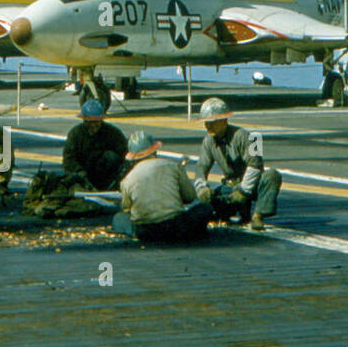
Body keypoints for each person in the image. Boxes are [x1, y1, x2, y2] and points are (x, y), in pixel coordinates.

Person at [193, 97, 281, 231]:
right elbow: (201, 166)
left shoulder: (248, 136)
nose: (208, 126)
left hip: (252, 185)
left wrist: (244, 191)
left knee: (272, 175)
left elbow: (256, 165)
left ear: (224, 120)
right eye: (206, 123)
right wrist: (201, 187)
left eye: (212, 122)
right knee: (212, 200)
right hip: (231, 186)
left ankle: (257, 215)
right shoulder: (208, 141)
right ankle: (229, 212)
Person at [112, 130, 213, 243]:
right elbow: (189, 196)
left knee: (118, 218)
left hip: (145, 231)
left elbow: (126, 208)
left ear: (133, 157)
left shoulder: (127, 180)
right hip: (175, 226)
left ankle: (138, 233)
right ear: (155, 150)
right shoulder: (173, 166)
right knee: (205, 207)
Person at [63, 99, 128, 190]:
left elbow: (125, 155)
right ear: (84, 120)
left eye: (96, 122)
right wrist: (79, 172)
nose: (93, 125)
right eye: (90, 122)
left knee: (110, 156)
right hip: (83, 175)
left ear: (101, 120)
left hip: (106, 177)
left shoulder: (112, 133)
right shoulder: (75, 134)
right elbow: (69, 159)